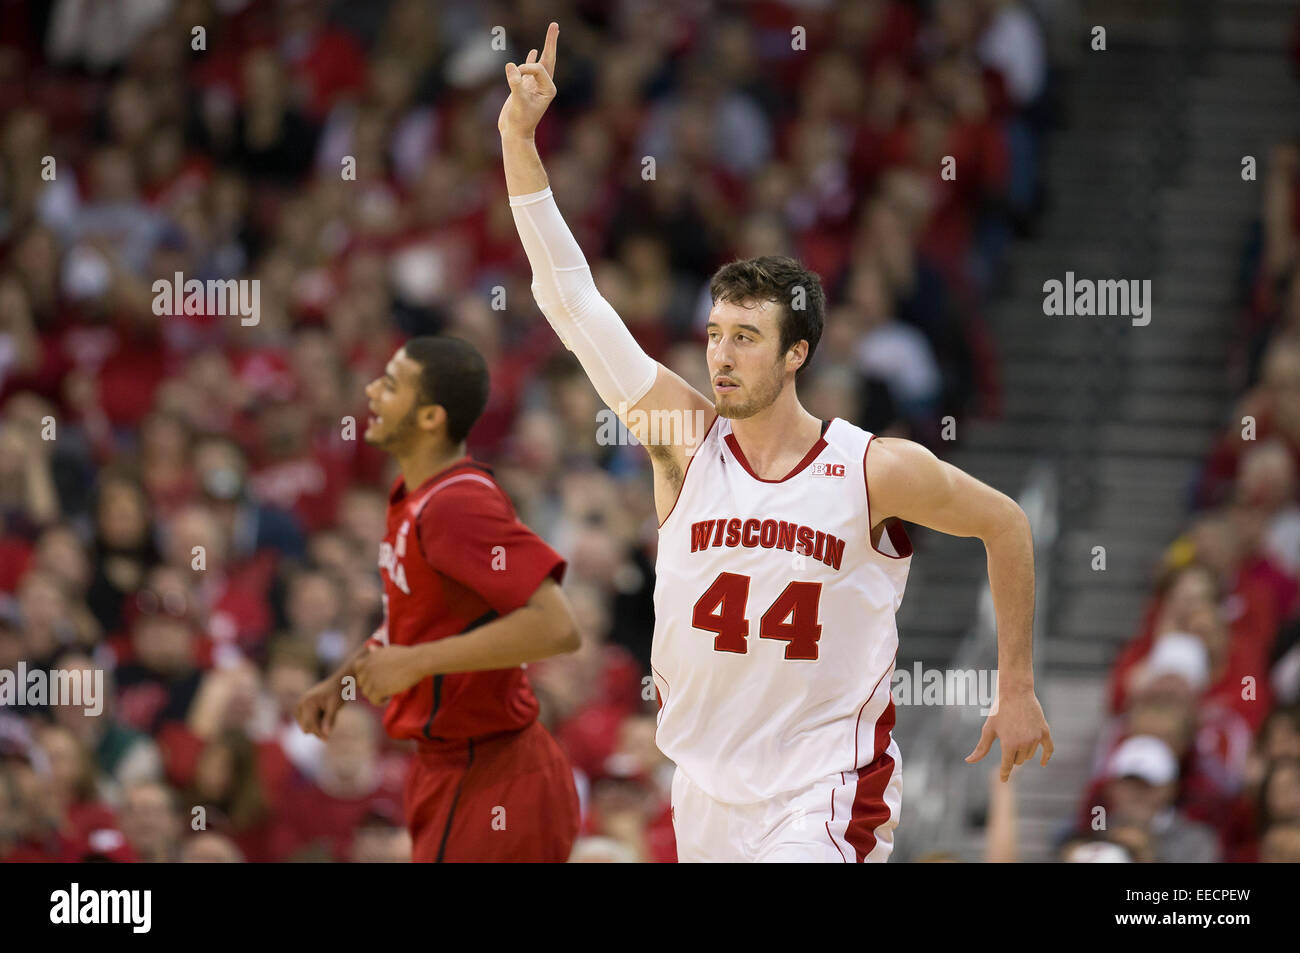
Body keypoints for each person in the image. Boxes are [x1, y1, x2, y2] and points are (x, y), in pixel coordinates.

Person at [498, 23, 1052, 863]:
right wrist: (517, 140)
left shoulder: (872, 468)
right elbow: (573, 302)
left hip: (827, 788)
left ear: (797, 354)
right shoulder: (685, 439)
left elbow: (1006, 522)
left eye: (746, 337)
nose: (720, 353)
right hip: (705, 787)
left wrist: (1015, 686)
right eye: (715, 332)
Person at [295, 336, 582, 862]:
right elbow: (421, 622)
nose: (371, 391)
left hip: (493, 772)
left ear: (430, 417)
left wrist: (415, 663)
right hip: (457, 766)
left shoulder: (458, 504)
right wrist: (345, 679)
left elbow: (556, 626)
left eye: (390, 384)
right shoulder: (414, 495)